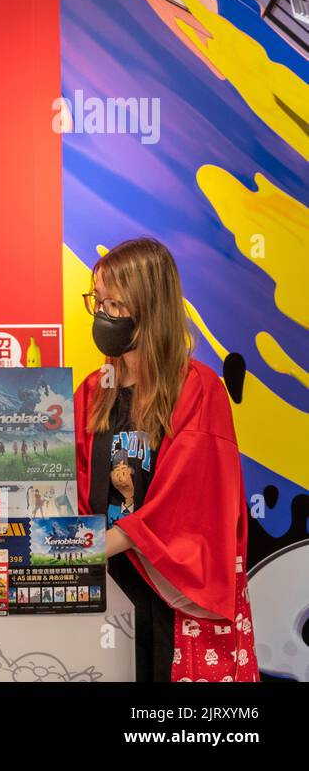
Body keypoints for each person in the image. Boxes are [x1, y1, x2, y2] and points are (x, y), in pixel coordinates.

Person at [74, 238, 258, 681]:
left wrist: (85, 550)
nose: (104, 315)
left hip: (172, 591)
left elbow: (189, 504)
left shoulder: (198, 390)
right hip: (105, 584)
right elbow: (75, 489)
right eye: (98, 301)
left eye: (115, 304)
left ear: (149, 307)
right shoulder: (92, 392)